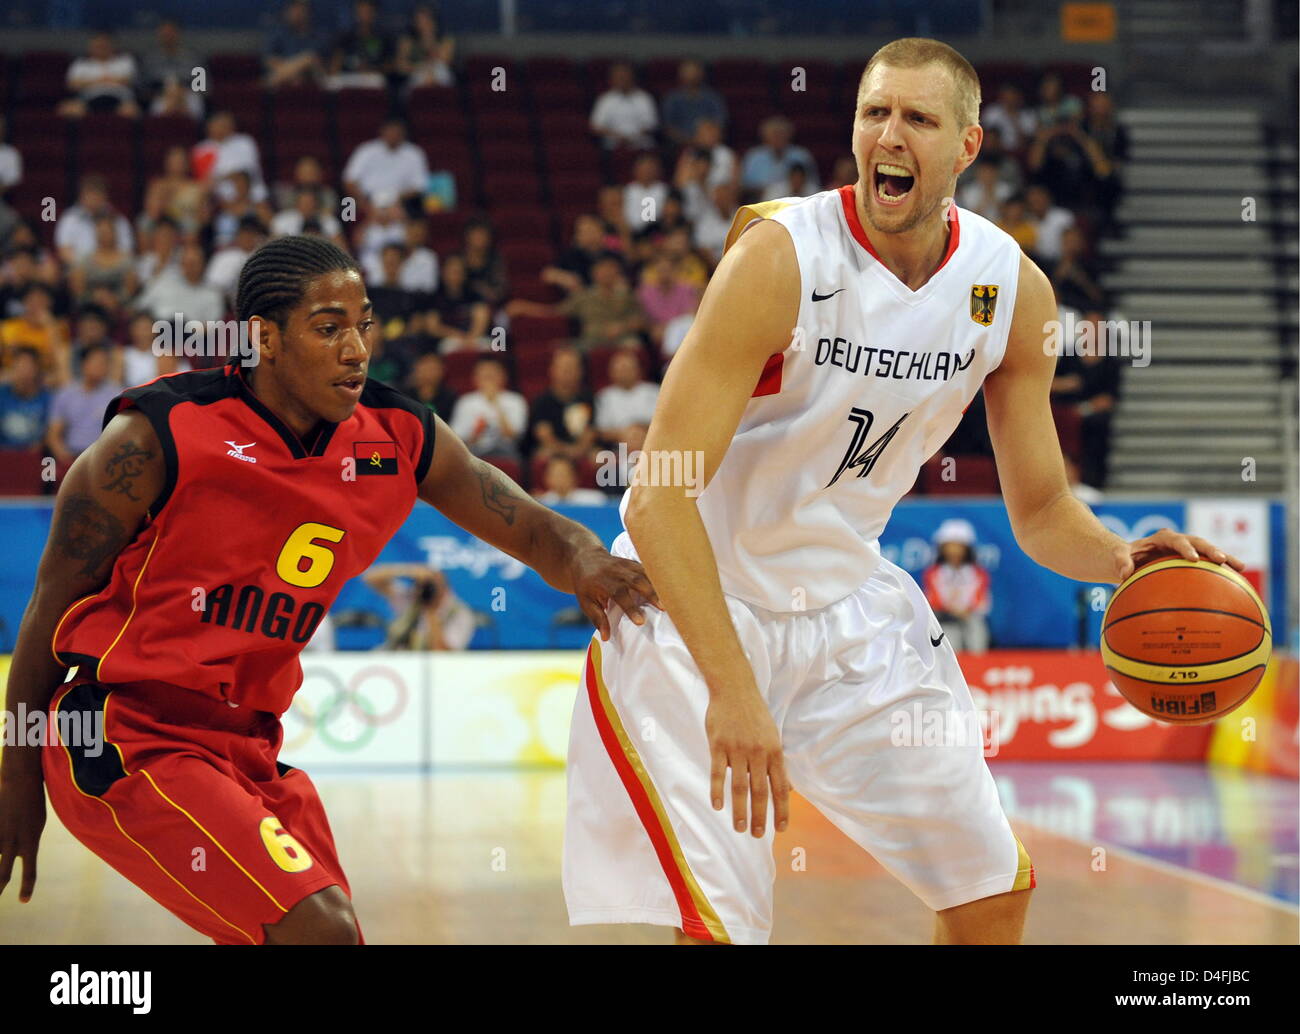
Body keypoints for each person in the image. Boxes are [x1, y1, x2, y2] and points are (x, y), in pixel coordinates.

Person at [562, 37, 1245, 948]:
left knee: (989, 892)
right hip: (699, 608)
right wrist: (734, 691)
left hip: (849, 609)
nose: (890, 134)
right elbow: (657, 498)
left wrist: (1122, 559)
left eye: (918, 119)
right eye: (874, 113)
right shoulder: (778, 258)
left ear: (967, 146)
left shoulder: (1011, 291)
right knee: (724, 932)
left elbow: (1040, 510)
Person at [0, 235, 654, 943]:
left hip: (248, 747)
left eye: (363, 324)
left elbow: (529, 526)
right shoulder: (152, 438)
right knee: (323, 934)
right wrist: (15, 780)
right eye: (328, 327)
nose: (356, 348)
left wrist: (589, 559)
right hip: (124, 732)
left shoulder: (397, 434)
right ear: (265, 338)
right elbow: (47, 609)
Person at [364, 565, 476, 650]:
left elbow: (443, 653)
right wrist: (409, 571)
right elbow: (370, 578)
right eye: (423, 584)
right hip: (399, 659)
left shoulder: (459, 613)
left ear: (445, 587)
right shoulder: (411, 598)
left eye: (432, 585)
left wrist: (431, 611)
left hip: (438, 668)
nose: (427, 589)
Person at [923, 519, 992, 654]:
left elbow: (982, 600)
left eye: (959, 546)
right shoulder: (934, 573)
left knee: (977, 632)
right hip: (945, 617)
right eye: (949, 546)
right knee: (949, 637)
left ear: (967, 549)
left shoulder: (978, 574)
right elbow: (932, 599)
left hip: (970, 616)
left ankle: (979, 664)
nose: (954, 551)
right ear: (942, 549)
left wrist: (967, 610)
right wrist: (950, 610)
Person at [449, 355, 527, 461]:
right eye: (484, 376)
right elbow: (457, 439)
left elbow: (514, 435)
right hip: (474, 452)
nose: (488, 380)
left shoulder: (515, 400)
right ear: (475, 378)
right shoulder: (466, 402)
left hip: (506, 452)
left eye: (492, 375)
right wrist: (476, 432)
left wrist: (496, 403)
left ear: (503, 376)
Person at [342, 118, 430, 209]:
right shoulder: (366, 150)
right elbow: (349, 181)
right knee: (348, 205)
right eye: (390, 131)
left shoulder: (414, 153)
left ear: (404, 133)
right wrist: (366, 204)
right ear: (382, 132)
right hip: (368, 199)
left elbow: (420, 186)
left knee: (417, 207)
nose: (393, 135)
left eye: (397, 132)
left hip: (402, 201)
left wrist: (396, 201)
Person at [528, 346, 596, 461]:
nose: (567, 372)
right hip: (554, 449)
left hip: (580, 448)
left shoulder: (587, 398)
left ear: (580, 371)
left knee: (598, 456)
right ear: (552, 370)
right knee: (542, 455)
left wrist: (578, 450)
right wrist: (568, 451)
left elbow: (589, 433)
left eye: (572, 368)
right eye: (563, 368)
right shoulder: (542, 401)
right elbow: (545, 436)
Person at [58, 32, 140, 118]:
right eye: (98, 46)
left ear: (112, 45)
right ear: (90, 46)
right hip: (89, 99)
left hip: (120, 98)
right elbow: (72, 84)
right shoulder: (81, 63)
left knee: (131, 111)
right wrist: (105, 80)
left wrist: (90, 81)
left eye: (104, 45)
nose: (101, 48)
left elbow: (129, 80)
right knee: (67, 110)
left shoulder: (125, 60)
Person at [740, 116, 819, 200]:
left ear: (789, 135)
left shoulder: (802, 155)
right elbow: (745, 186)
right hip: (761, 202)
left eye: (781, 134)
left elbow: (813, 184)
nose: (778, 138)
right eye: (774, 134)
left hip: (798, 200)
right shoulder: (754, 157)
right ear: (765, 136)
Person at [590, 62, 658, 150]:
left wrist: (632, 138)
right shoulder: (605, 100)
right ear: (612, 79)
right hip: (613, 147)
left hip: (641, 145)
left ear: (632, 77)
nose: (622, 79)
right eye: (618, 76)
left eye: (625, 75)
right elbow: (596, 126)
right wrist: (618, 137)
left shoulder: (644, 98)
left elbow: (651, 124)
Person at [661, 60, 727, 146]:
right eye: (687, 72)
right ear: (680, 74)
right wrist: (689, 141)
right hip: (679, 146)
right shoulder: (672, 99)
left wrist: (705, 139)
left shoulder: (713, 98)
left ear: (701, 74)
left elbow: (720, 124)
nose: (690, 76)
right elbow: (668, 128)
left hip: (709, 144)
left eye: (693, 72)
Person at [265, 0, 329, 88]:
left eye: (300, 8)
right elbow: (271, 62)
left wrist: (307, 64)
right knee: (272, 79)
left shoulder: (320, 37)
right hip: (281, 81)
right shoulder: (277, 35)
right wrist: (302, 63)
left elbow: (319, 67)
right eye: (293, 8)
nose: (296, 12)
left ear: (309, 11)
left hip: (311, 82)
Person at [0, 347, 51, 450]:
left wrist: (41, 444)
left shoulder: (47, 399)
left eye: (28, 367)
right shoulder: (2, 395)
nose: (23, 373)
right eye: (19, 367)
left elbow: (51, 432)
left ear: (37, 370)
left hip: (34, 456)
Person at [396, 3, 455, 89]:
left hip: (438, 77)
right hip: (415, 77)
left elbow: (445, 61)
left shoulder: (446, 40)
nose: (423, 23)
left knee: (440, 69)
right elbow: (400, 66)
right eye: (419, 20)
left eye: (426, 19)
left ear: (433, 21)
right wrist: (420, 67)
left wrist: (429, 37)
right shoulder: (407, 41)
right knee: (422, 75)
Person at [536, 455, 607, 506]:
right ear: (546, 478)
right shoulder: (541, 504)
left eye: (563, 474)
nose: (560, 479)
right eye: (556, 474)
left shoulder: (595, 500)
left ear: (575, 477)